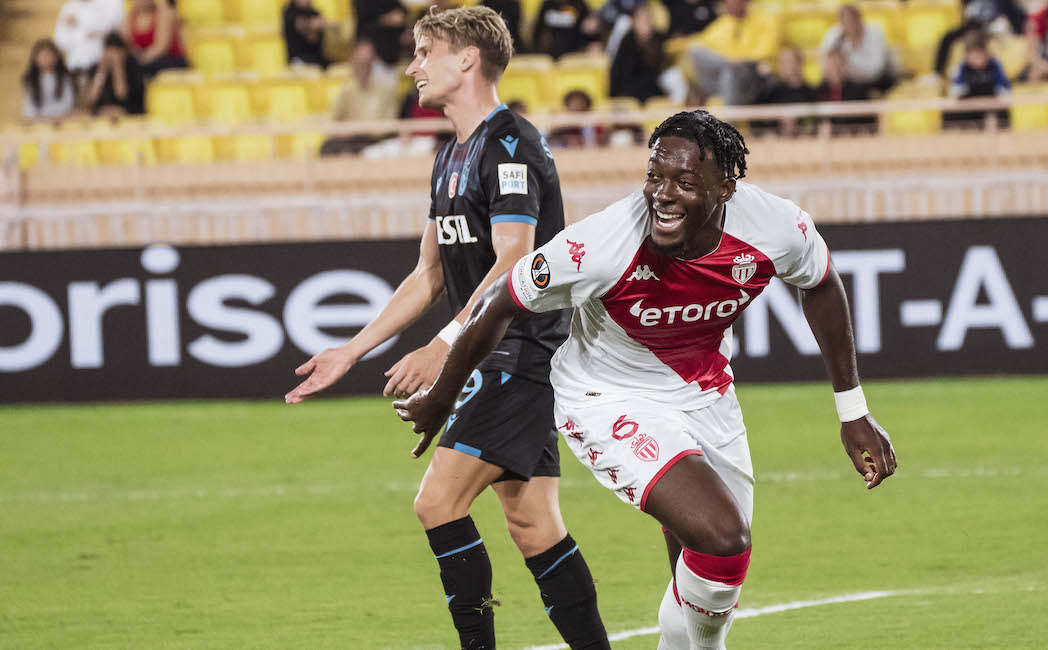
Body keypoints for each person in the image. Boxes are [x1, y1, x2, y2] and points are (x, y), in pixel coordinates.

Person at [394, 109, 898, 649]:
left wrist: (853, 411)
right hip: (606, 398)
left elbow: (821, 283)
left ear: (725, 188)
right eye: (654, 176)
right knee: (724, 537)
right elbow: (500, 299)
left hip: (707, 396)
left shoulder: (776, 228)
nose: (663, 194)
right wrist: (443, 394)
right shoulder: (603, 243)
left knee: (711, 570)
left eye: (685, 182)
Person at [285, 7, 610, 650]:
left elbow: (514, 259)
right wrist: (351, 351)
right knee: (533, 524)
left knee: (437, 503)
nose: (412, 66)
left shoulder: (512, 143)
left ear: (466, 59)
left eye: (424, 52)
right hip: (492, 353)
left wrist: (443, 345)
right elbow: (428, 274)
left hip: (521, 351)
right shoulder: (448, 158)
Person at [686, 0, 778, 105]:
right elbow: (703, 44)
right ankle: (728, 65)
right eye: (726, 3)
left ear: (744, 2)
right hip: (725, 71)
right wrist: (730, 62)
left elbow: (765, 53)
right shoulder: (724, 22)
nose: (727, 6)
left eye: (732, 2)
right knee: (696, 51)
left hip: (753, 73)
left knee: (730, 72)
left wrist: (739, 61)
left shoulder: (765, 19)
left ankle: (730, 115)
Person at [320, 40, 399, 156]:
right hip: (349, 140)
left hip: (375, 141)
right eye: (361, 62)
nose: (363, 66)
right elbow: (333, 123)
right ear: (353, 62)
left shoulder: (386, 90)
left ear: (374, 62)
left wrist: (362, 130)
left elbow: (390, 125)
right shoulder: (345, 91)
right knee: (327, 147)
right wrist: (348, 132)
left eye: (368, 62)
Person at [933, 0, 1026, 78]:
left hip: (993, 26)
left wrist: (1017, 29)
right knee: (948, 38)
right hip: (972, 26)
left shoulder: (1003, 2)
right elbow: (967, 15)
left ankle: (1001, 75)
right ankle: (938, 73)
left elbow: (1015, 14)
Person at [819, 4, 899, 93]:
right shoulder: (833, 35)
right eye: (845, 22)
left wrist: (849, 71)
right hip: (847, 82)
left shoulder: (875, 34)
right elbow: (825, 67)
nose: (850, 26)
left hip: (876, 81)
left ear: (859, 20)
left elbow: (876, 69)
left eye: (852, 21)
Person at [946, 31, 1011, 128]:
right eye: (972, 56)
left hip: (991, 108)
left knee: (993, 116)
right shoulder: (963, 67)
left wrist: (992, 100)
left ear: (986, 52)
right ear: (966, 55)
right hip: (969, 109)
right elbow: (954, 90)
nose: (976, 59)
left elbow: (1005, 90)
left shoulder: (994, 65)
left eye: (978, 55)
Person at [609, 4, 666, 103]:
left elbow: (657, 71)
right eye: (642, 20)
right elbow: (623, 76)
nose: (646, 23)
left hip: (650, 89)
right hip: (627, 90)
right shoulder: (627, 43)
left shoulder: (658, 40)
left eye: (649, 19)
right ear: (634, 22)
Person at [755, 47, 816, 136]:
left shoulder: (809, 92)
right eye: (782, 62)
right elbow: (755, 117)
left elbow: (814, 122)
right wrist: (777, 117)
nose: (783, 66)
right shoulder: (773, 90)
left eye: (788, 62)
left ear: (799, 64)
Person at [54, 0, 124, 74]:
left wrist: (97, 33)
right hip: (74, 67)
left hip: (99, 66)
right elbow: (59, 42)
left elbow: (115, 33)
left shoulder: (107, 4)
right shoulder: (69, 8)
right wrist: (69, 27)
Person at [85, 33, 146, 117]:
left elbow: (122, 95)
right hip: (101, 113)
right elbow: (91, 100)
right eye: (109, 52)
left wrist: (118, 68)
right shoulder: (96, 68)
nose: (113, 56)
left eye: (117, 52)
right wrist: (102, 71)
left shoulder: (133, 68)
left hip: (128, 112)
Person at [814, 50, 875, 133]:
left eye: (839, 65)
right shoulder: (818, 91)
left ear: (845, 67)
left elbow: (869, 120)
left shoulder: (858, 90)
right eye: (832, 66)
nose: (836, 70)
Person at [123, 0, 188, 77]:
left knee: (138, 69)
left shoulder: (163, 12)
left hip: (169, 60)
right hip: (144, 60)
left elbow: (161, 47)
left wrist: (140, 61)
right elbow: (127, 44)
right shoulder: (130, 16)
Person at [22, 39, 78, 123]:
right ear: (35, 59)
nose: (46, 59)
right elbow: (29, 108)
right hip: (38, 122)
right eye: (43, 56)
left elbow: (68, 103)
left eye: (49, 55)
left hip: (62, 120)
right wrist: (45, 119)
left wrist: (57, 117)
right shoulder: (31, 80)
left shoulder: (66, 78)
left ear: (56, 57)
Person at [355, 0, 407, 68]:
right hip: (370, 36)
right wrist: (388, 18)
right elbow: (365, 17)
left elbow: (401, 12)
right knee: (364, 54)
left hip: (392, 38)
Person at [283, 0, 331, 68]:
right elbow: (299, 25)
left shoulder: (314, 12)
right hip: (298, 58)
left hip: (317, 57)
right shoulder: (289, 13)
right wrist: (312, 25)